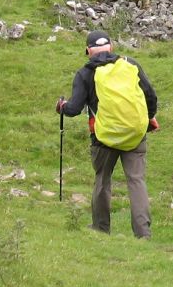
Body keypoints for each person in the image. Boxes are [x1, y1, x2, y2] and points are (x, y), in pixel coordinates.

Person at [56, 30, 159, 238]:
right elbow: (150, 96)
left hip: (103, 139)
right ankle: (143, 234)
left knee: (102, 180)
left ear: (88, 51)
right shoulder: (131, 65)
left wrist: (61, 107)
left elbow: (74, 109)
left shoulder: (85, 74)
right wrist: (146, 118)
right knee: (136, 180)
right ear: (111, 47)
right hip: (135, 134)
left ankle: (101, 229)